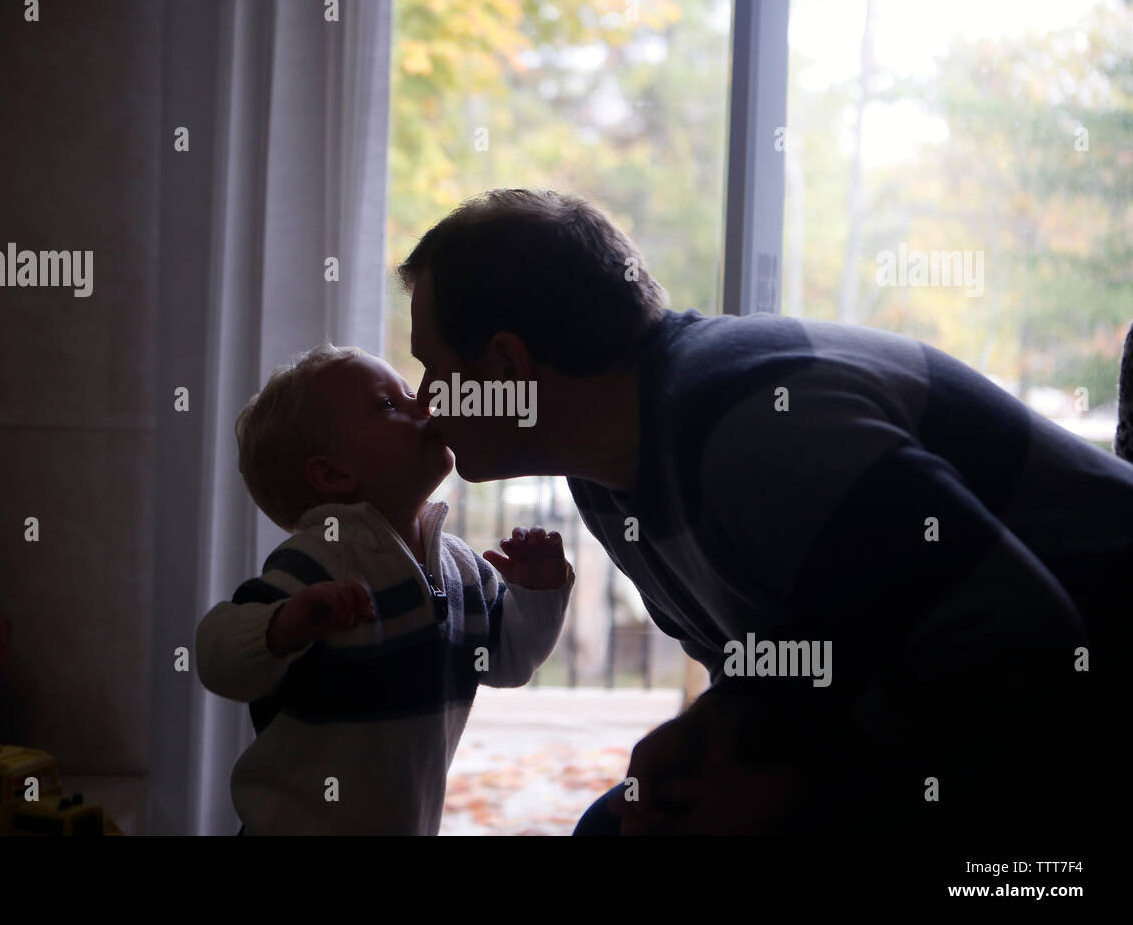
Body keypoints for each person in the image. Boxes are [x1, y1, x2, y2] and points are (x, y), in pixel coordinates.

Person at [399, 188, 1125, 836]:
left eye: (434, 367)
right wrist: (704, 731)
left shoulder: (753, 425)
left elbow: (1025, 640)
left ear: (506, 366)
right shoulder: (608, 470)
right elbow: (792, 654)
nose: (424, 400)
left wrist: (789, 786)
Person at [195, 344, 573, 834]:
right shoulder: (319, 563)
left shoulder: (460, 568)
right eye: (389, 405)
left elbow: (509, 660)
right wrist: (283, 626)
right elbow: (217, 657)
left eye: (410, 392)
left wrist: (541, 592)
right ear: (334, 474)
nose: (423, 404)